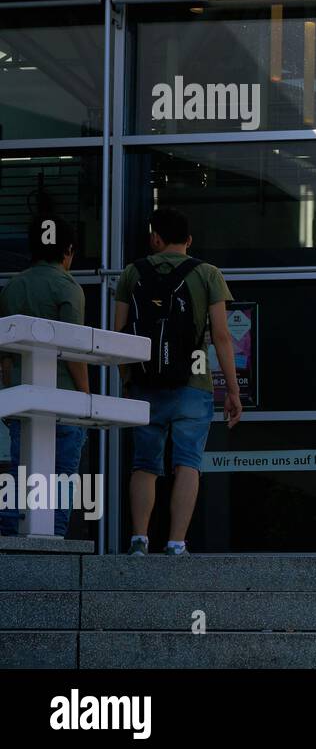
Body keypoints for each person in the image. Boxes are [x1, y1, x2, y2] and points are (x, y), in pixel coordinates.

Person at [114, 208, 241, 555]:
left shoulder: (131, 273)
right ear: (189, 240)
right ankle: (175, 542)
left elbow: (119, 335)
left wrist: (129, 379)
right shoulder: (208, 274)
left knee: (145, 464)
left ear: (155, 238)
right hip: (193, 382)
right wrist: (231, 389)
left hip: (145, 383)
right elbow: (222, 336)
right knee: (188, 463)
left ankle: (139, 539)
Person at [0, 216, 90, 537]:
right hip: (63, 404)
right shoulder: (68, 287)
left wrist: (10, 397)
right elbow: (74, 352)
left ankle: (11, 543)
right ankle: (53, 545)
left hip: (22, 401)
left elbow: (6, 357)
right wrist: (85, 398)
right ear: (67, 250)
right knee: (62, 478)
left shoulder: (13, 286)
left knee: (21, 474)